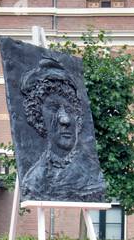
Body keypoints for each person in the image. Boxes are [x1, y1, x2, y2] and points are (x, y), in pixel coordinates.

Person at [19, 57, 105, 202]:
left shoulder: (92, 174)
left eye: (70, 110)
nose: (64, 119)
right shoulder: (33, 179)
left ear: (77, 116)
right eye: (53, 108)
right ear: (38, 117)